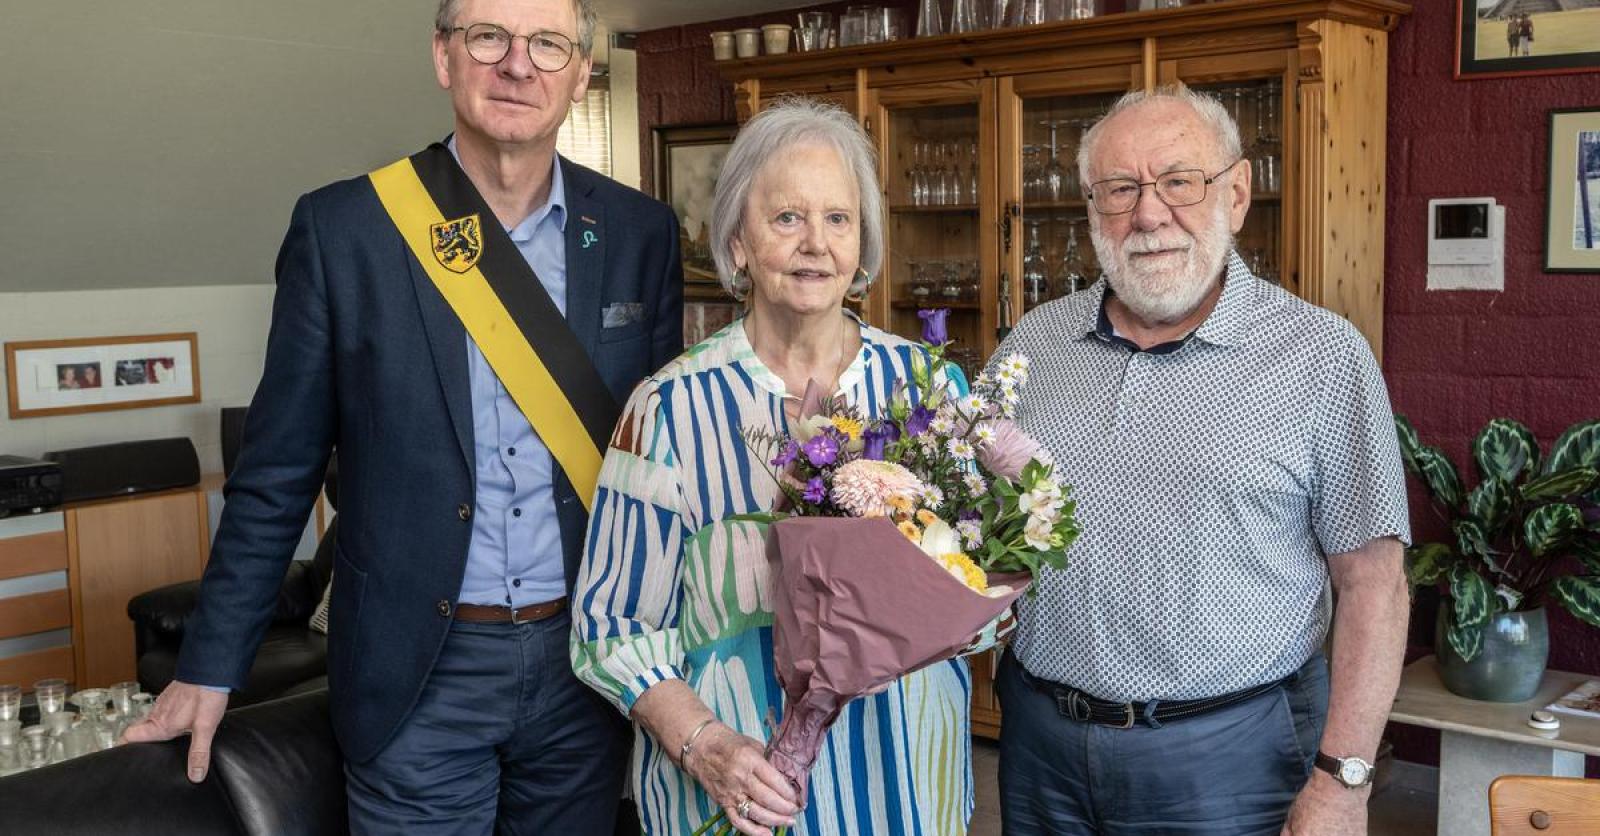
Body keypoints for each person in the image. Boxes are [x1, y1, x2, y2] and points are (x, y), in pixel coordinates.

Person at [121, 0, 684, 832]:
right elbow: (276, 475)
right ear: (443, 56)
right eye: (489, 37)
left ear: (579, 71)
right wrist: (209, 667)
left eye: (547, 44)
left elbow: (659, 466)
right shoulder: (345, 229)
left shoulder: (641, 231)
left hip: (586, 670)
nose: (518, 65)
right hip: (418, 676)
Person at [992, 85, 1410, 836]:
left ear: (1238, 192)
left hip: (1234, 757)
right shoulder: (1032, 346)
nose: (1149, 215)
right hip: (1039, 742)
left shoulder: (1321, 355)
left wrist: (1345, 782)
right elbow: (972, 529)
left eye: (1179, 181)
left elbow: (1374, 586)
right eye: (1120, 190)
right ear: (1092, 208)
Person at [571, 97, 994, 836]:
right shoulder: (666, 408)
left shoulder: (930, 387)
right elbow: (610, 628)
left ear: (863, 245)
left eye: (838, 218)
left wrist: (964, 608)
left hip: (909, 788)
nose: (816, 244)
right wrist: (705, 745)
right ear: (736, 242)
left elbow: (989, 587)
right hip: (741, 793)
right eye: (787, 218)